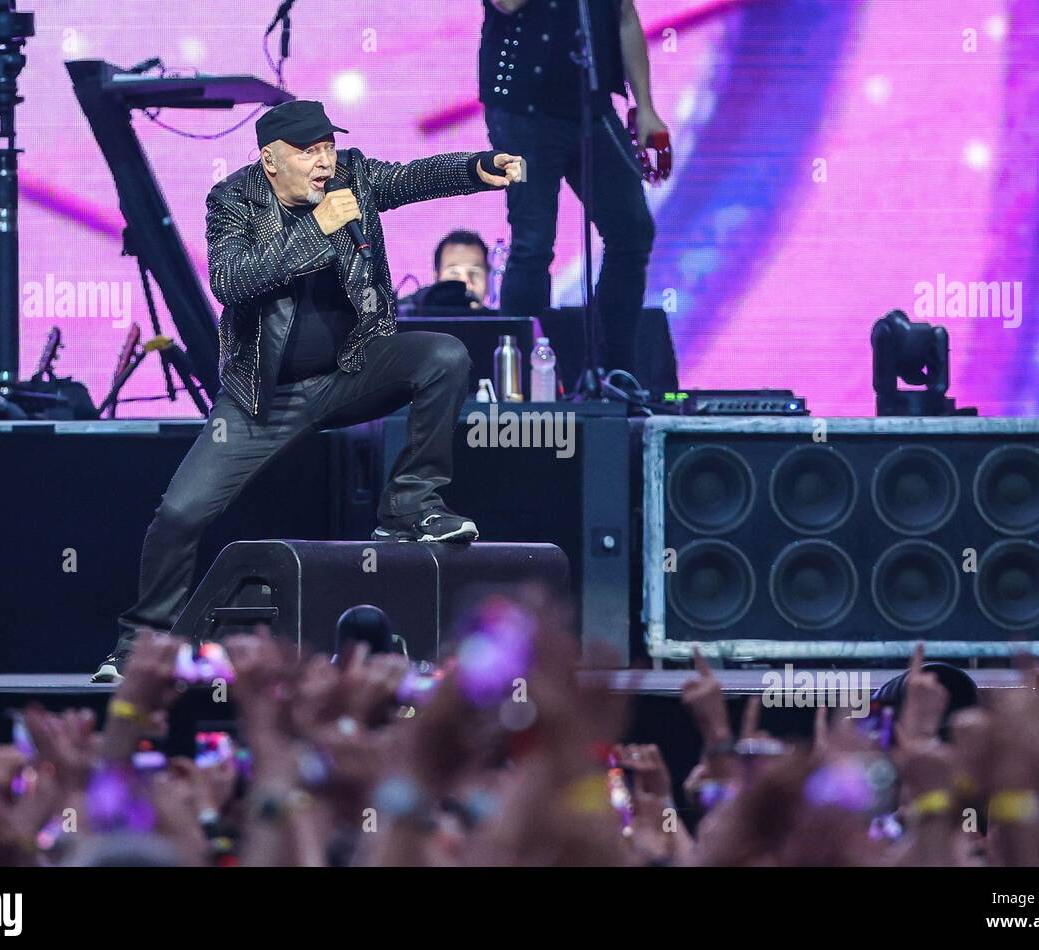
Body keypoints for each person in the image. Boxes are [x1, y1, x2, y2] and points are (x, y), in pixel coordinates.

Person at [95, 100, 524, 682]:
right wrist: (315, 232)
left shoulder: (353, 177)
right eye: (309, 152)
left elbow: (415, 177)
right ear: (271, 162)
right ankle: (138, 651)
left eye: (327, 147)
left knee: (444, 355)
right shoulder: (233, 200)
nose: (325, 162)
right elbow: (232, 281)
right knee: (180, 512)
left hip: (352, 370)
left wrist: (478, 167)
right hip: (264, 397)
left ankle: (411, 504)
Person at [480, 0, 664, 377]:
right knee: (533, 243)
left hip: (592, 109)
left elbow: (625, 17)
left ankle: (615, 370)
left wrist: (645, 106)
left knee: (632, 231)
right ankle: (522, 379)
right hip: (522, 113)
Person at [398, 229, 495, 314]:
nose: (466, 283)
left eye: (474, 273)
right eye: (454, 273)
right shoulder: (412, 321)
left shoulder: (501, 329)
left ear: (488, 278)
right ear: (437, 278)